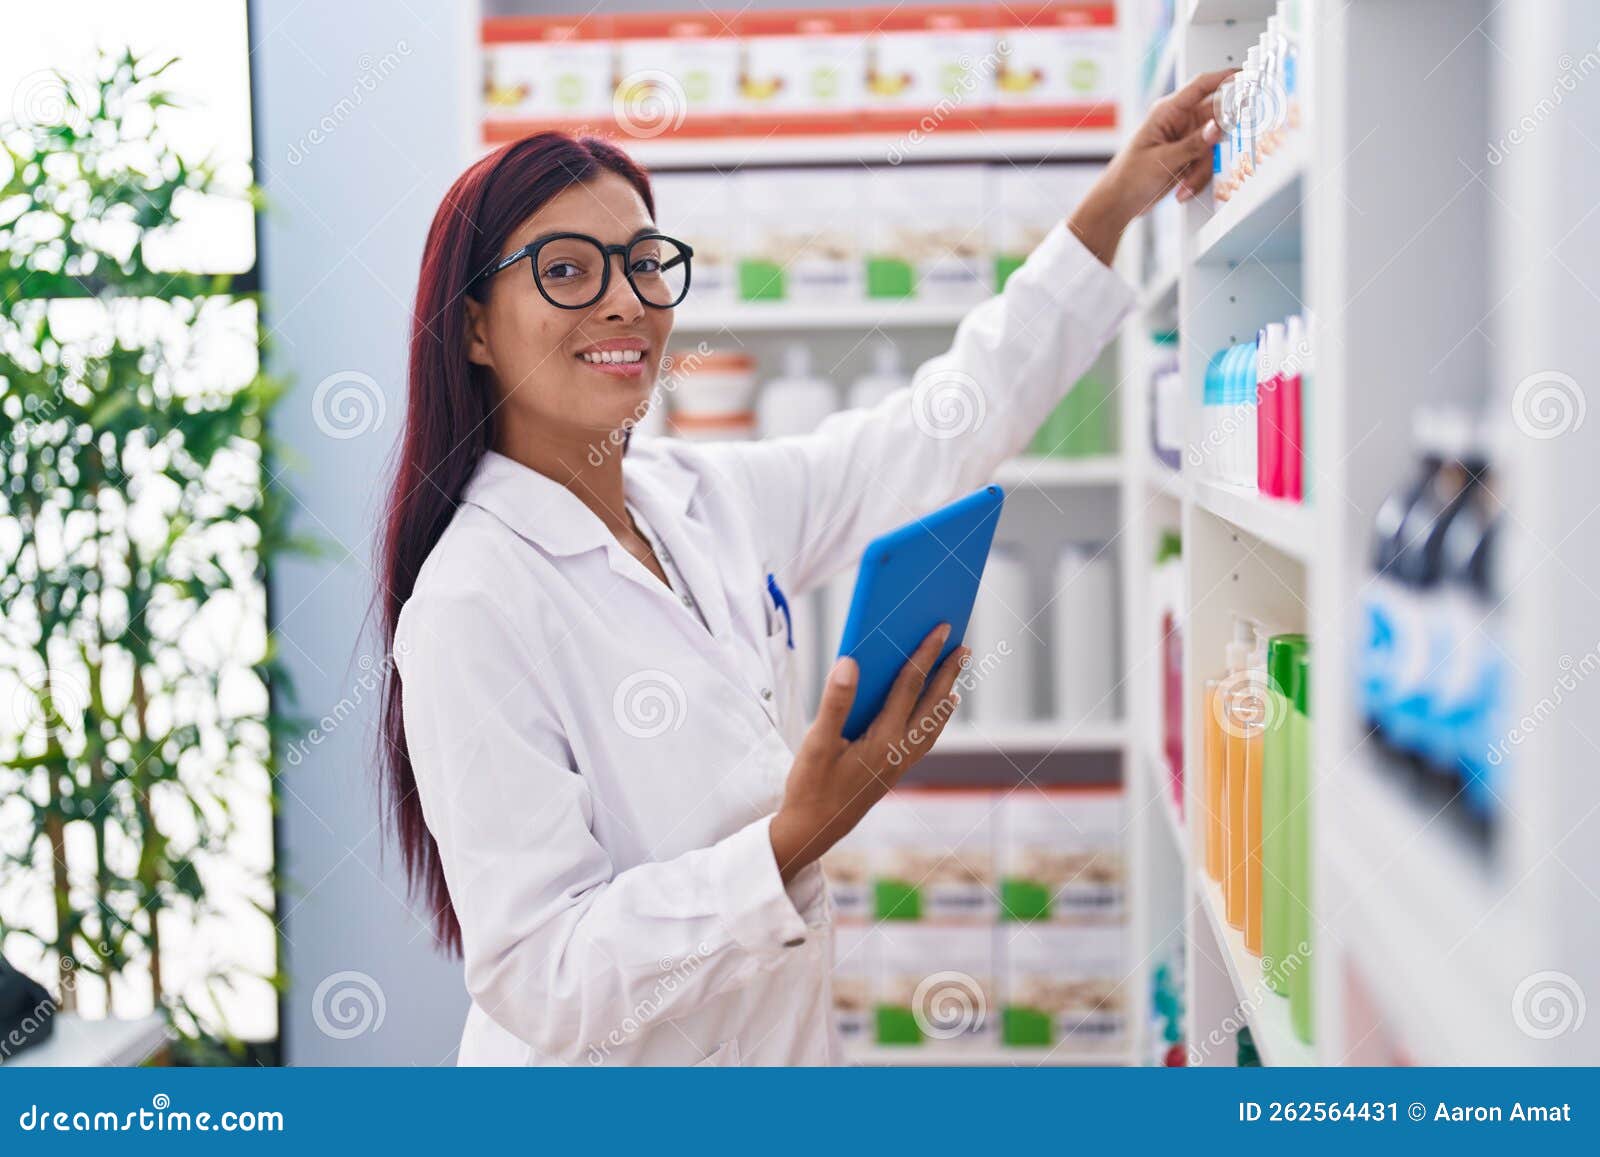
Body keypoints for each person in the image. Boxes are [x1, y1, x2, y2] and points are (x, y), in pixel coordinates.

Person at [378, 71, 1230, 1066]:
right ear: (474, 325)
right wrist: (789, 839)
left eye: (646, 265)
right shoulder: (471, 601)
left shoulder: (693, 495)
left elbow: (929, 434)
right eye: (567, 271)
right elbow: (541, 974)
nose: (624, 301)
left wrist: (1111, 202)